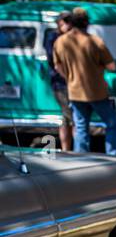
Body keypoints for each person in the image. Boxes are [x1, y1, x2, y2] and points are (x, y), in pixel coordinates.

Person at [52, 7, 116, 155]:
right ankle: (113, 156)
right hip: (97, 92)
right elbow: (112, 66)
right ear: (86, 23)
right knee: (112, 123)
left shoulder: (60, 42)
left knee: (81, 127)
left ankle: (81, 160)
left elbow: (57, 66)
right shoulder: (95, 41)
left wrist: (69, 78)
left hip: (74, 91)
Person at [43, 12, 73, 151]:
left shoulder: (73, 37)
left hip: (72, 82)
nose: (67, 25)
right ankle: (69, 150)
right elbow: (54, 61)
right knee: (70, 116)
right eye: (64, 22)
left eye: (69, 21)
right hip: (61, 82)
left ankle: (68, 150)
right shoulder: (53, 38)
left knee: (68, 118)